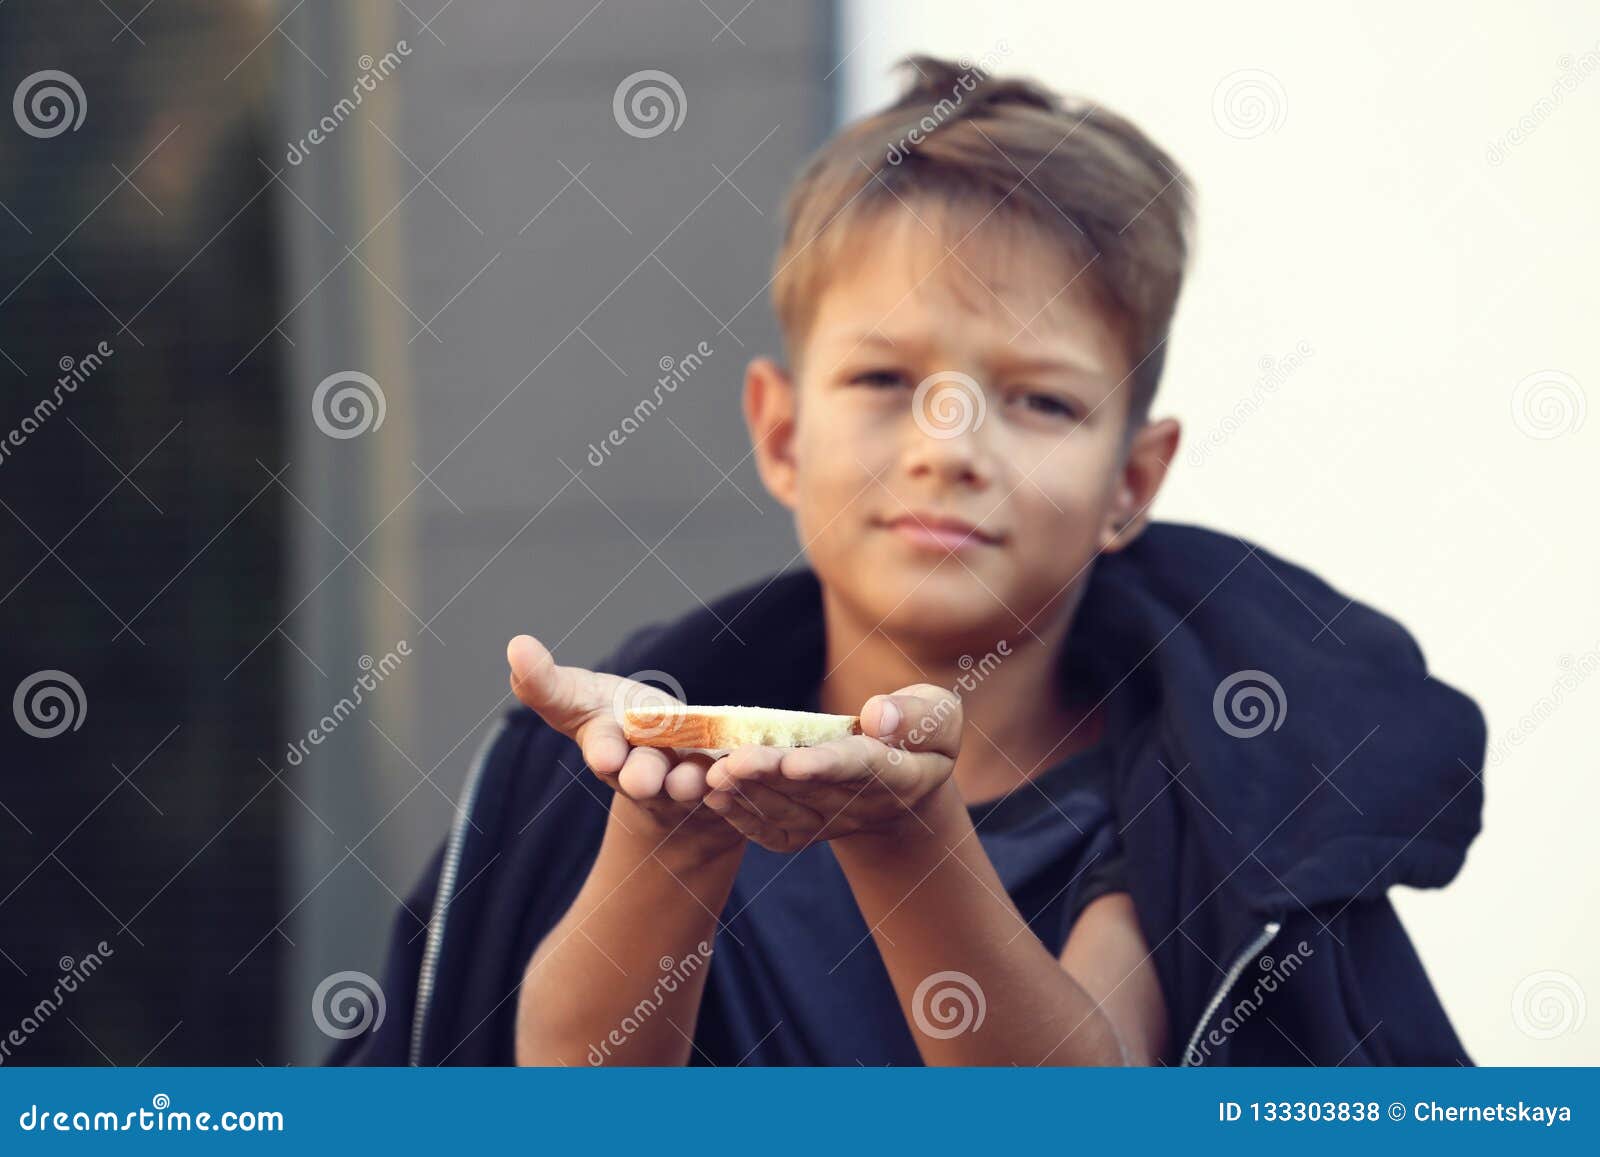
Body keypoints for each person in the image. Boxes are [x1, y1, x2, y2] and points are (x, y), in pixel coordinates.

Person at [332, 55, 1485, 1067]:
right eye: (885, 382)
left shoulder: (1195, 796)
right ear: (781, 433)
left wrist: (905, 834)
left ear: (1130, 481)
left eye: (1037, 400)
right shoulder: (617, 770)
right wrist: (668, 842)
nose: (948, 450)